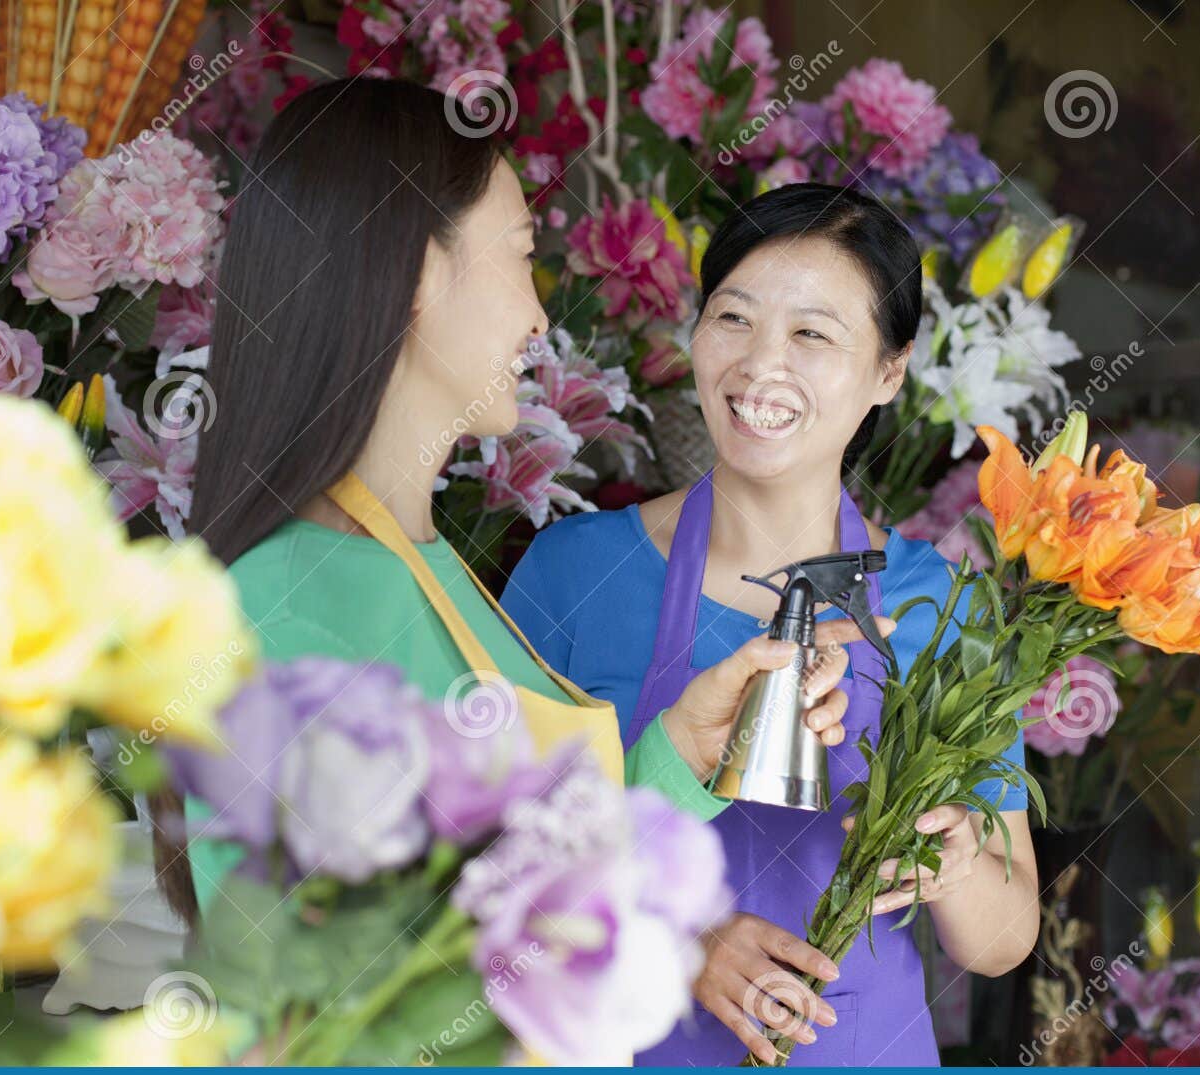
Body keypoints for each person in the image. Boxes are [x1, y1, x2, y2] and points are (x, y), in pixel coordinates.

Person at [148, 80, 888, 937]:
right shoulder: (297, 596)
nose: (539, 315)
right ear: (421, 272)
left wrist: (683, 749)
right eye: (520, 255)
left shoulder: (423, 567)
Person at [501, 183, 1040, 1066]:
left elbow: (1001, 939)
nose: (760, 367)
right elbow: (490, 862)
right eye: (734, 319)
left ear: (889, 371)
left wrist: (953, 865)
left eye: (812, 334)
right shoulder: (573, 572)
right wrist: (688, 941)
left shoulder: (940, 607)